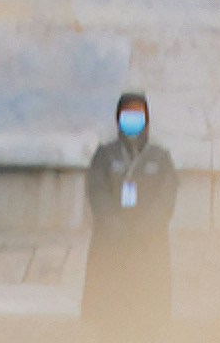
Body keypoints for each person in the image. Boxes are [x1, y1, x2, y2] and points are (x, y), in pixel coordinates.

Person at [82, 91, 177, 323]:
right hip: (112, 243)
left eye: (138, 115)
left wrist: (145, 226)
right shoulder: (105, 155)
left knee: (148, 313)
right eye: (127, 114)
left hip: (148, 244)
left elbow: (166, 197)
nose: (132, 120)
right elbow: (96, 191)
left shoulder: (160, 158)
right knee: (111, 314)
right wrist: (115, 224)